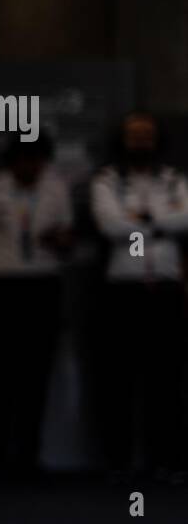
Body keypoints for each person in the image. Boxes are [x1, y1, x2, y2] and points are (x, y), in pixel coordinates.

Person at [0, 134, 73, 477]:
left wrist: (59, 240)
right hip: (4, 287)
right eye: (24, 159)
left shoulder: (56, 189)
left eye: (36, 159)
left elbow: (69, 238)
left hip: (43, 284)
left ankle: (29, 459)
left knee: (36, 375)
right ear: (12, 160)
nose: (30, 166)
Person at [89, 113, 188, 483]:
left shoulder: (174, 179)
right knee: (119, 377)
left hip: (165, 288)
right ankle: (119, 461)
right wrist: (161, 221)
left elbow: (187, 219)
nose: (141, 142)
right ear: (122, 140)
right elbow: (109, 225)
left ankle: (169, 460)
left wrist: (142, 219)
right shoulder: (107, 179)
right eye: (134, 135)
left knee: (167, 377)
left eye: (147, 134)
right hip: (122, 290)